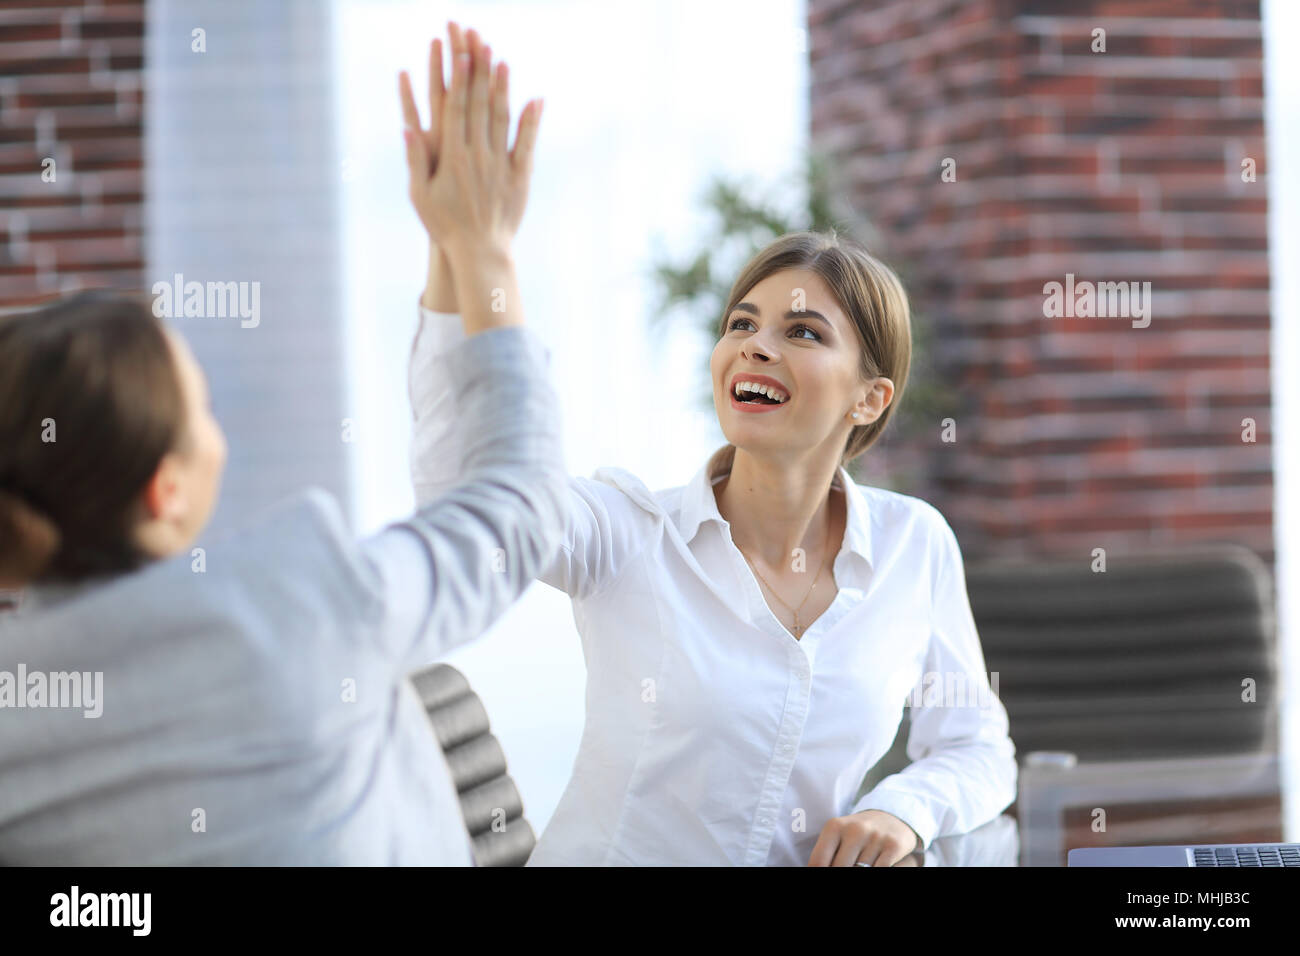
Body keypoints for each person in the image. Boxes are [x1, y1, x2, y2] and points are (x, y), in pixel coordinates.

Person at [410, 25, 1017, 868]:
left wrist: (902, 810)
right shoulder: (625, 534)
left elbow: (979, 748)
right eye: (741, 324)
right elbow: (463, 497)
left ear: (870, 397)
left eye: (801, 332)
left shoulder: (917, 545)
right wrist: (462, 253)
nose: (755, 347)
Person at [0, 29, 556, 865]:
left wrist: (449, 253)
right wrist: (486, 246)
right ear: (166, 491)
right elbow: (513, 506)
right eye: (205, 409)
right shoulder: (297, 609)